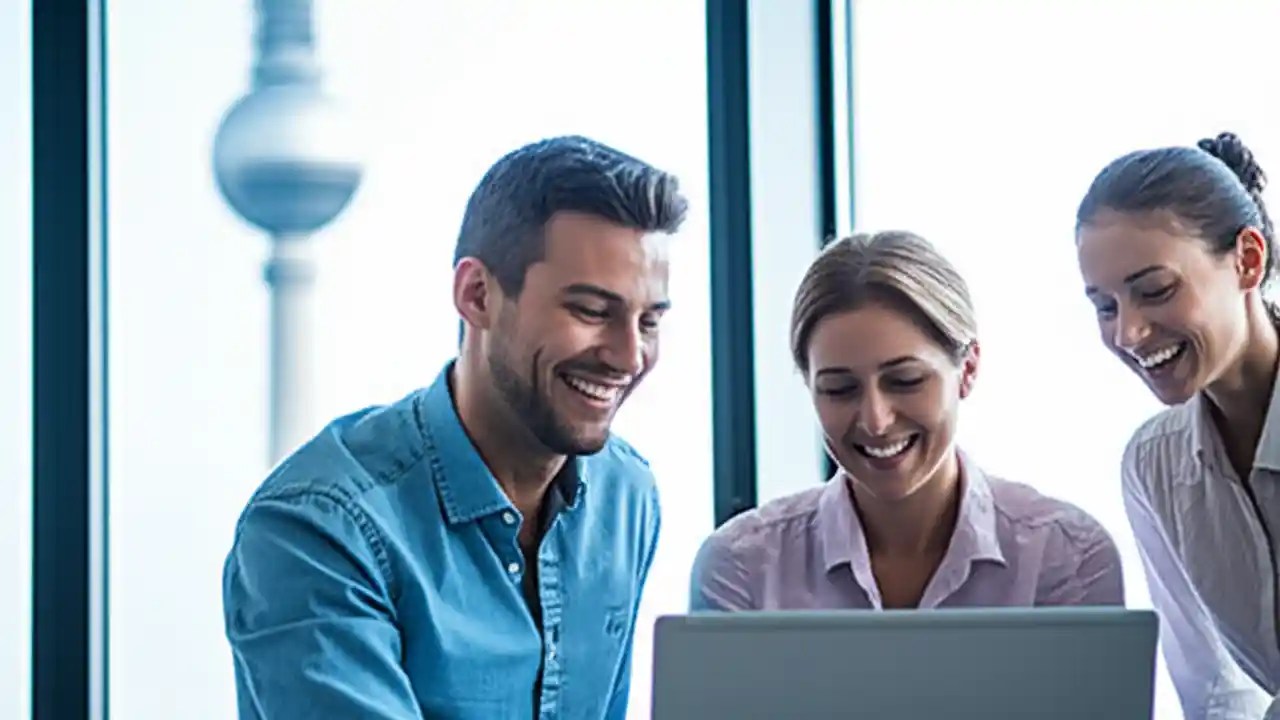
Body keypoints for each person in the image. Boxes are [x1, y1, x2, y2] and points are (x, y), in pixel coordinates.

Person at [222, 135, 688, 719]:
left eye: (648, 320)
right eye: (592, 312)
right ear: (477, 295)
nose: (628, 356)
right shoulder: (316, 529)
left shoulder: (625, 496)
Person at [691, 231, 1124, 612]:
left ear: (968, 369)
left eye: (905, 380)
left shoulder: (1065, 556)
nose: (876, 421)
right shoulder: (743, 567)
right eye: (839, 389)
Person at [1076, 131, 1280, 719]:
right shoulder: (1154, 465)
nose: (1128, 333)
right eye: (1105, 306)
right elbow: (1214, 694)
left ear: (1247, 260)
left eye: (1156, 291)